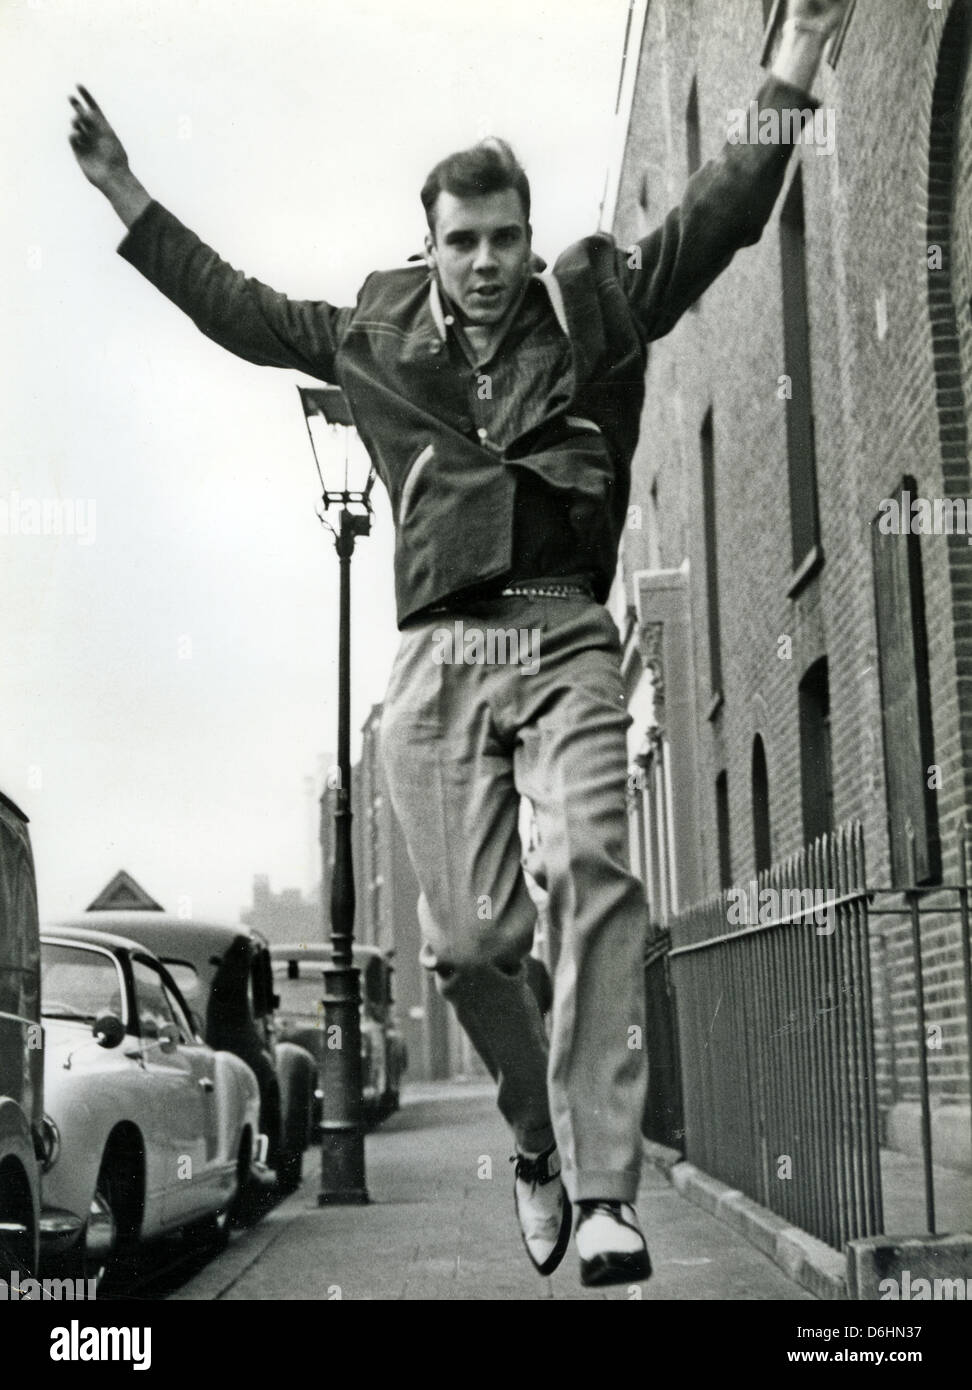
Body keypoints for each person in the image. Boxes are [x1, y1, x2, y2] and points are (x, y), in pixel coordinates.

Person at [68, 0, 847, 1287]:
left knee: (599, 869)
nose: (486, 264)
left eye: (504, 239)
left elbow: (717, 215)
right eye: (462, 242)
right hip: (438, 656)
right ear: (428, 246)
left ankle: (606, 1194)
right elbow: (241, 309)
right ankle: (535, 1145)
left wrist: (794, 62)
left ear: (528, 238)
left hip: (562, 633)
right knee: (474, 944)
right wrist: (128, 197)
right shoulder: (373, 335)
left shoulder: (593, 302)